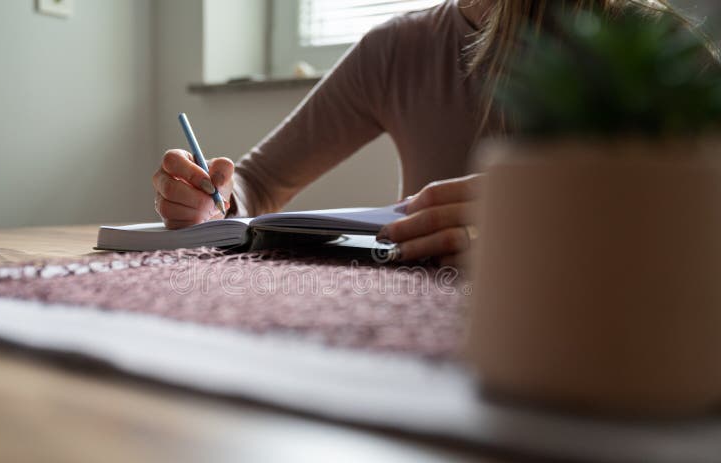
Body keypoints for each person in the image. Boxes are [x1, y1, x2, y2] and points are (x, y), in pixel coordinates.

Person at [150, 0, 709, 267]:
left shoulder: (643, 38)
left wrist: (554, 213)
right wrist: (211, 204)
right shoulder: (396, 48)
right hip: (421, 330)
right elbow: (259, 181)